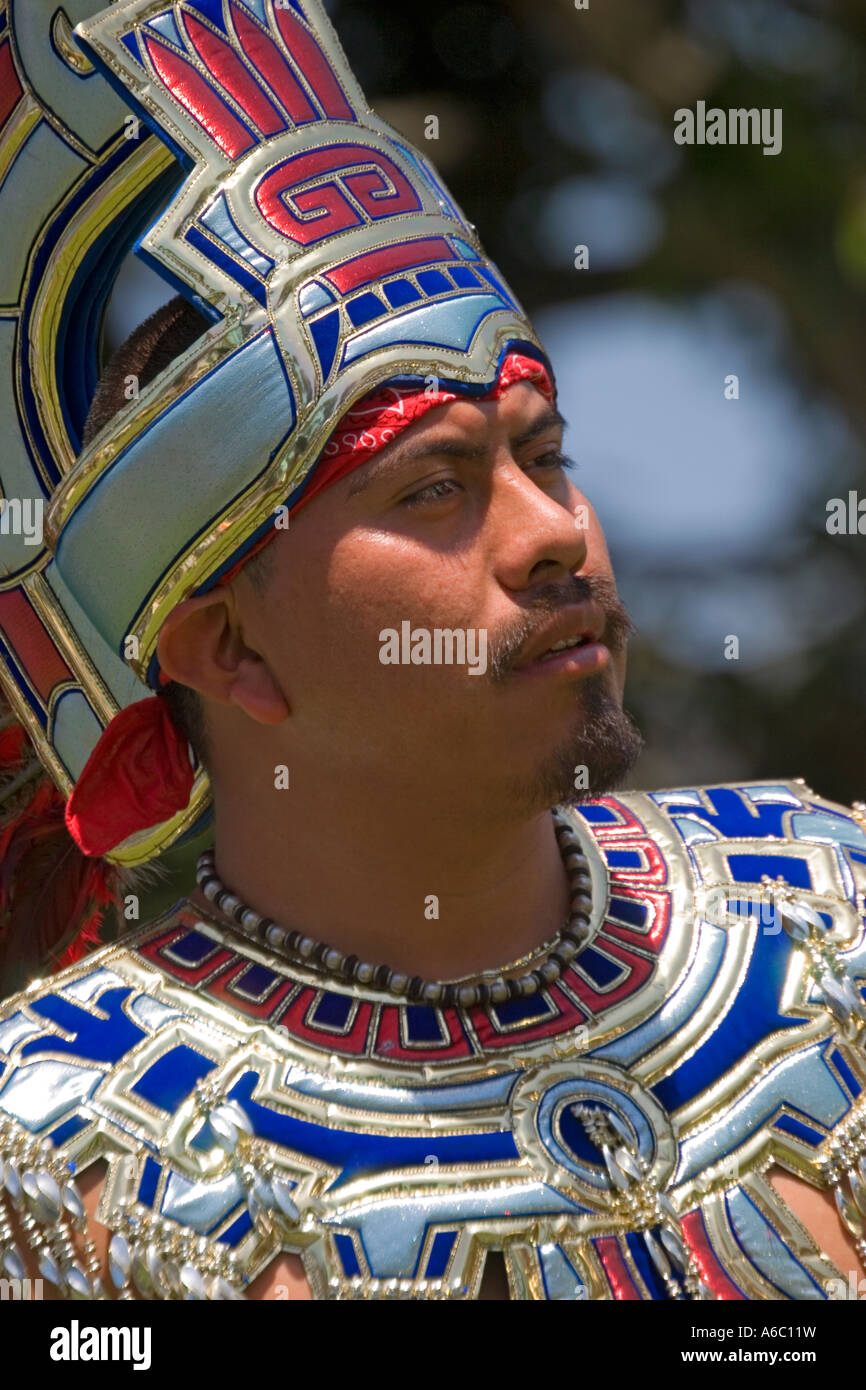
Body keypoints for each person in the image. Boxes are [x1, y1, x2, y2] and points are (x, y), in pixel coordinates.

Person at [0, 0, 865, 1302]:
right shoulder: (65, 1151)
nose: (556, 536)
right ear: (228, 648)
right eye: (432, 490)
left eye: (545, 454)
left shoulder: (829, 922)